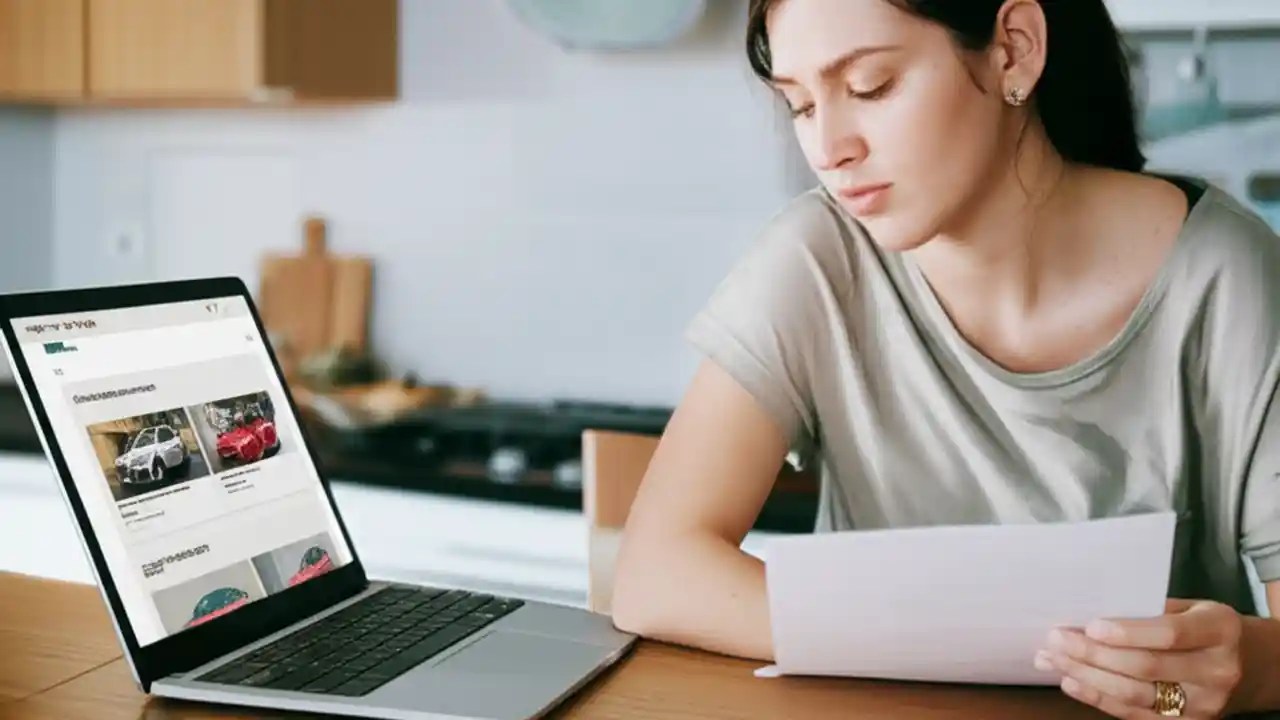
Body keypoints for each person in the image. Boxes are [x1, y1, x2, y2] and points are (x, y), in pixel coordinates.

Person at [610, 1, 1280, 718]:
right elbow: (655, 573)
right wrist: (935, 639)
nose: (828, 148)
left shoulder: (1226, 276)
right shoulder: (819, 261)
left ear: (1014, 50)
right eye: (800, 105)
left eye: (870, 86)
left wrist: (1242, 674)